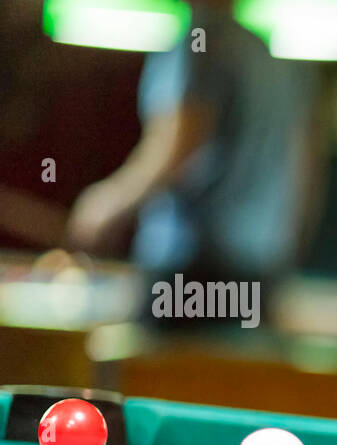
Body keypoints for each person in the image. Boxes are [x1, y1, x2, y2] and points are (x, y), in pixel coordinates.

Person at [65, 0, 319, 331]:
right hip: (259, 271)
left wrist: (103, 206)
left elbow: (180, 146)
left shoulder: (200, 38)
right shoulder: (273, 57)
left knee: (152, 379)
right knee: (229, 381)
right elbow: (305, 166)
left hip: (190, 273)